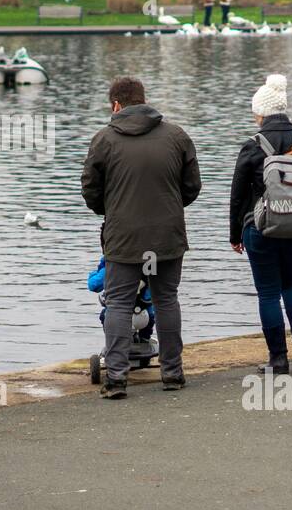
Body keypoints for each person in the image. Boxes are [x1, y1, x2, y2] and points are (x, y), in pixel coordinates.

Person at [82, 76, 202, 398]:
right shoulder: (176, 136)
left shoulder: (104, 140)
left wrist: (114, 210)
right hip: (167, 238)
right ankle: (172, 373)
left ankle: (117, 379)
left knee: (119, 303)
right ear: (144, 100)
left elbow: (90, 191)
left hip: (124, 238)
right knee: (166, 300)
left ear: (116, 105)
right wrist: (170, 206)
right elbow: (192, 187)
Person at [229, 73, 292, 374]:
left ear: (260, 113)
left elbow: (237, 196)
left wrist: (235, 235)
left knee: (269, 292)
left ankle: (278, 359)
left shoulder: (253, 145)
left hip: (261, 229)